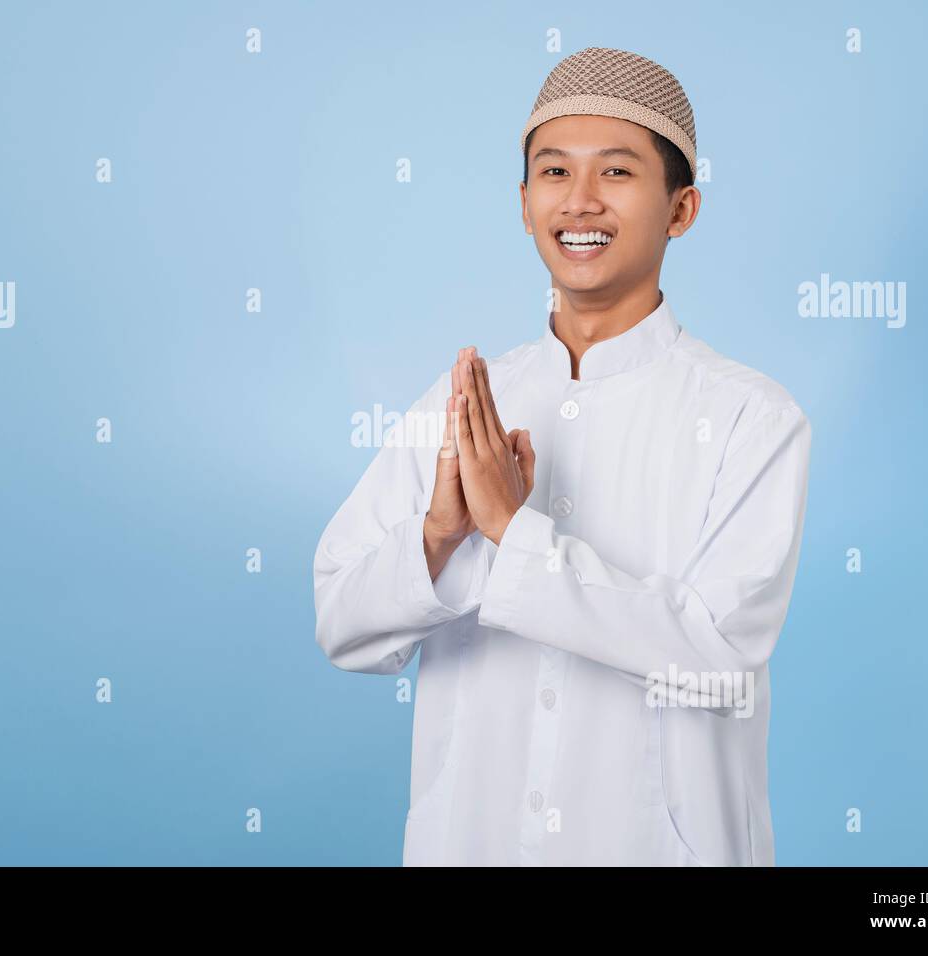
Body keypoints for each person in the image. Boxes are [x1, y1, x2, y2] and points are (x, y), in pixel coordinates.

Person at [312, 47, 812, 866]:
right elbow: (341, 621)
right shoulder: (466, 405)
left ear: (681, 208)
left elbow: (716, 655)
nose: (580, 202)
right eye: (554, 172)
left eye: (616, 172)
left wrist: (514, 534)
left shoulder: (751, 418)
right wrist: (439, 536)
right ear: (522, 202)